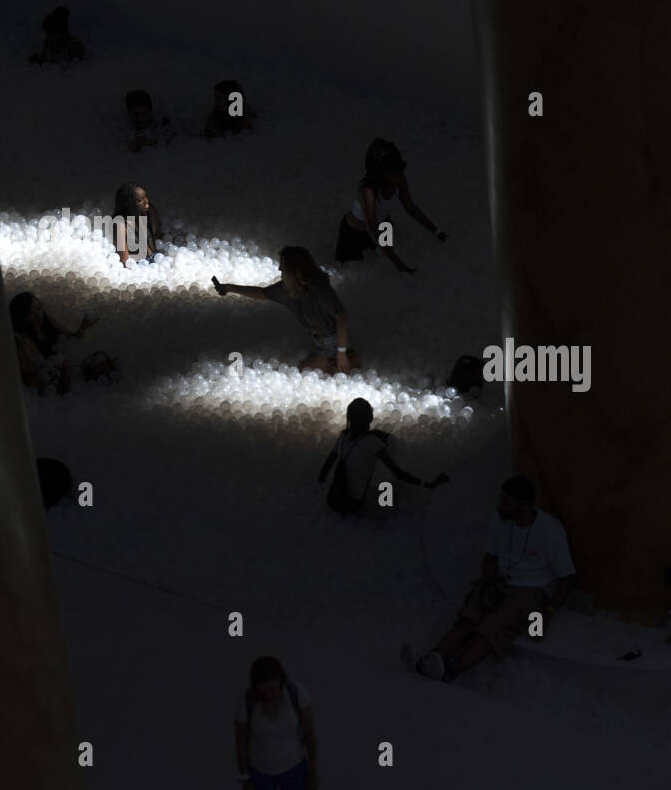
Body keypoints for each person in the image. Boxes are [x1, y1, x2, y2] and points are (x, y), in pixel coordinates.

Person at [403, 476, 575, 682]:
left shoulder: (550, 532)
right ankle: (431, 659)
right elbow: (490, 558)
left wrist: (547, 613)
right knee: (469, 617)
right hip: (500, 580)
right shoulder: (501, 519)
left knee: (489, 630)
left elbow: (566, 578)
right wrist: (488, 583)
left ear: (524, 505)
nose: (499, 506)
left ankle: (450, 670)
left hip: (530, 589)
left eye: (505, 502)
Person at [213, 247, 358, 374]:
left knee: (334, 374)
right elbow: (262, 293)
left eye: (282, 265)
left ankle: (347, 359)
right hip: (320, 342)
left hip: (336, 342)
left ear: (293, 270)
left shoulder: (318, 288)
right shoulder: (287, 289)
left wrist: (341, 353)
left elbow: (341, 316)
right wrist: (230, 287)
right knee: (304, 371)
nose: (279, 269)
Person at [334, 138, 447, 272]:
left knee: (382, 258)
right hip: (354, 234)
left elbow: (411, 208)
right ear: (381, 175)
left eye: (400, 171)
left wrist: (436, 231)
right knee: (349, 269)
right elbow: (373, 230)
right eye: (394, 174)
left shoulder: (400, 180)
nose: (399, 177)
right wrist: (400, 265)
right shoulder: (368, 191)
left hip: (384, 225)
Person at [318, 398, 448, 514]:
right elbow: (399, 474)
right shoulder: (372, 442)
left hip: (333, 501)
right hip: (353, 505)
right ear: (370, 417)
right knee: (389, 487)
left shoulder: (343, 436)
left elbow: (325, 470)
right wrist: (428, 484)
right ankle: (388, 506)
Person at [233, 656, 318, 790]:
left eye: (273, 689)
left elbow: (310, 734)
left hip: (294, 767)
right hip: (260, 772)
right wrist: (245, 780)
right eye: (262, 690)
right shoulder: (245, 703)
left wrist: (313, 771)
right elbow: (241, 745)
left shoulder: (297, 693)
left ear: (281, 682)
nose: (268, 695)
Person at [9, 292, 103, 394]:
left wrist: (84, 326)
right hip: (48, 381)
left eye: (39, 308)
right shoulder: (22, 339)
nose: (39, 314)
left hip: (65, 370)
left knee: (101, 364)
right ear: (22, 318)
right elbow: (30, 373)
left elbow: (70, 339)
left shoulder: (46, 319)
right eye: (32, 313)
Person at [109, 182, 162, 263]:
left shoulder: (149, 212)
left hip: (157, 258)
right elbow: (125, 261)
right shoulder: (120, 225)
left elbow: (159, 237)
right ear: (127, 204)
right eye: (140, 200)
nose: (146, 203)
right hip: (139, 265)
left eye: (146, 197)